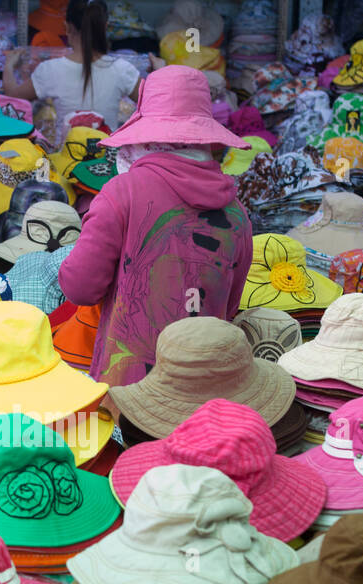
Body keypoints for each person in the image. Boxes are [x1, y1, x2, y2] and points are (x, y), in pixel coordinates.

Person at [58, 65, 253, 387]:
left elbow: (81, 288)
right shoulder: (236, 211)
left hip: (131, 387)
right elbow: (228, 306)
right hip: (207, 383)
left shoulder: (123, 192)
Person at [2, 0, 141, 130]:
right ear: (105, 27)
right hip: (107, 155)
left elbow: (13, 95)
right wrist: (159, 72)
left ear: (67, 27)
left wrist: (9, 65)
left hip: (65, 155)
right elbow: (153, 101)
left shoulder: (50, 70)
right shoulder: (123, 70)